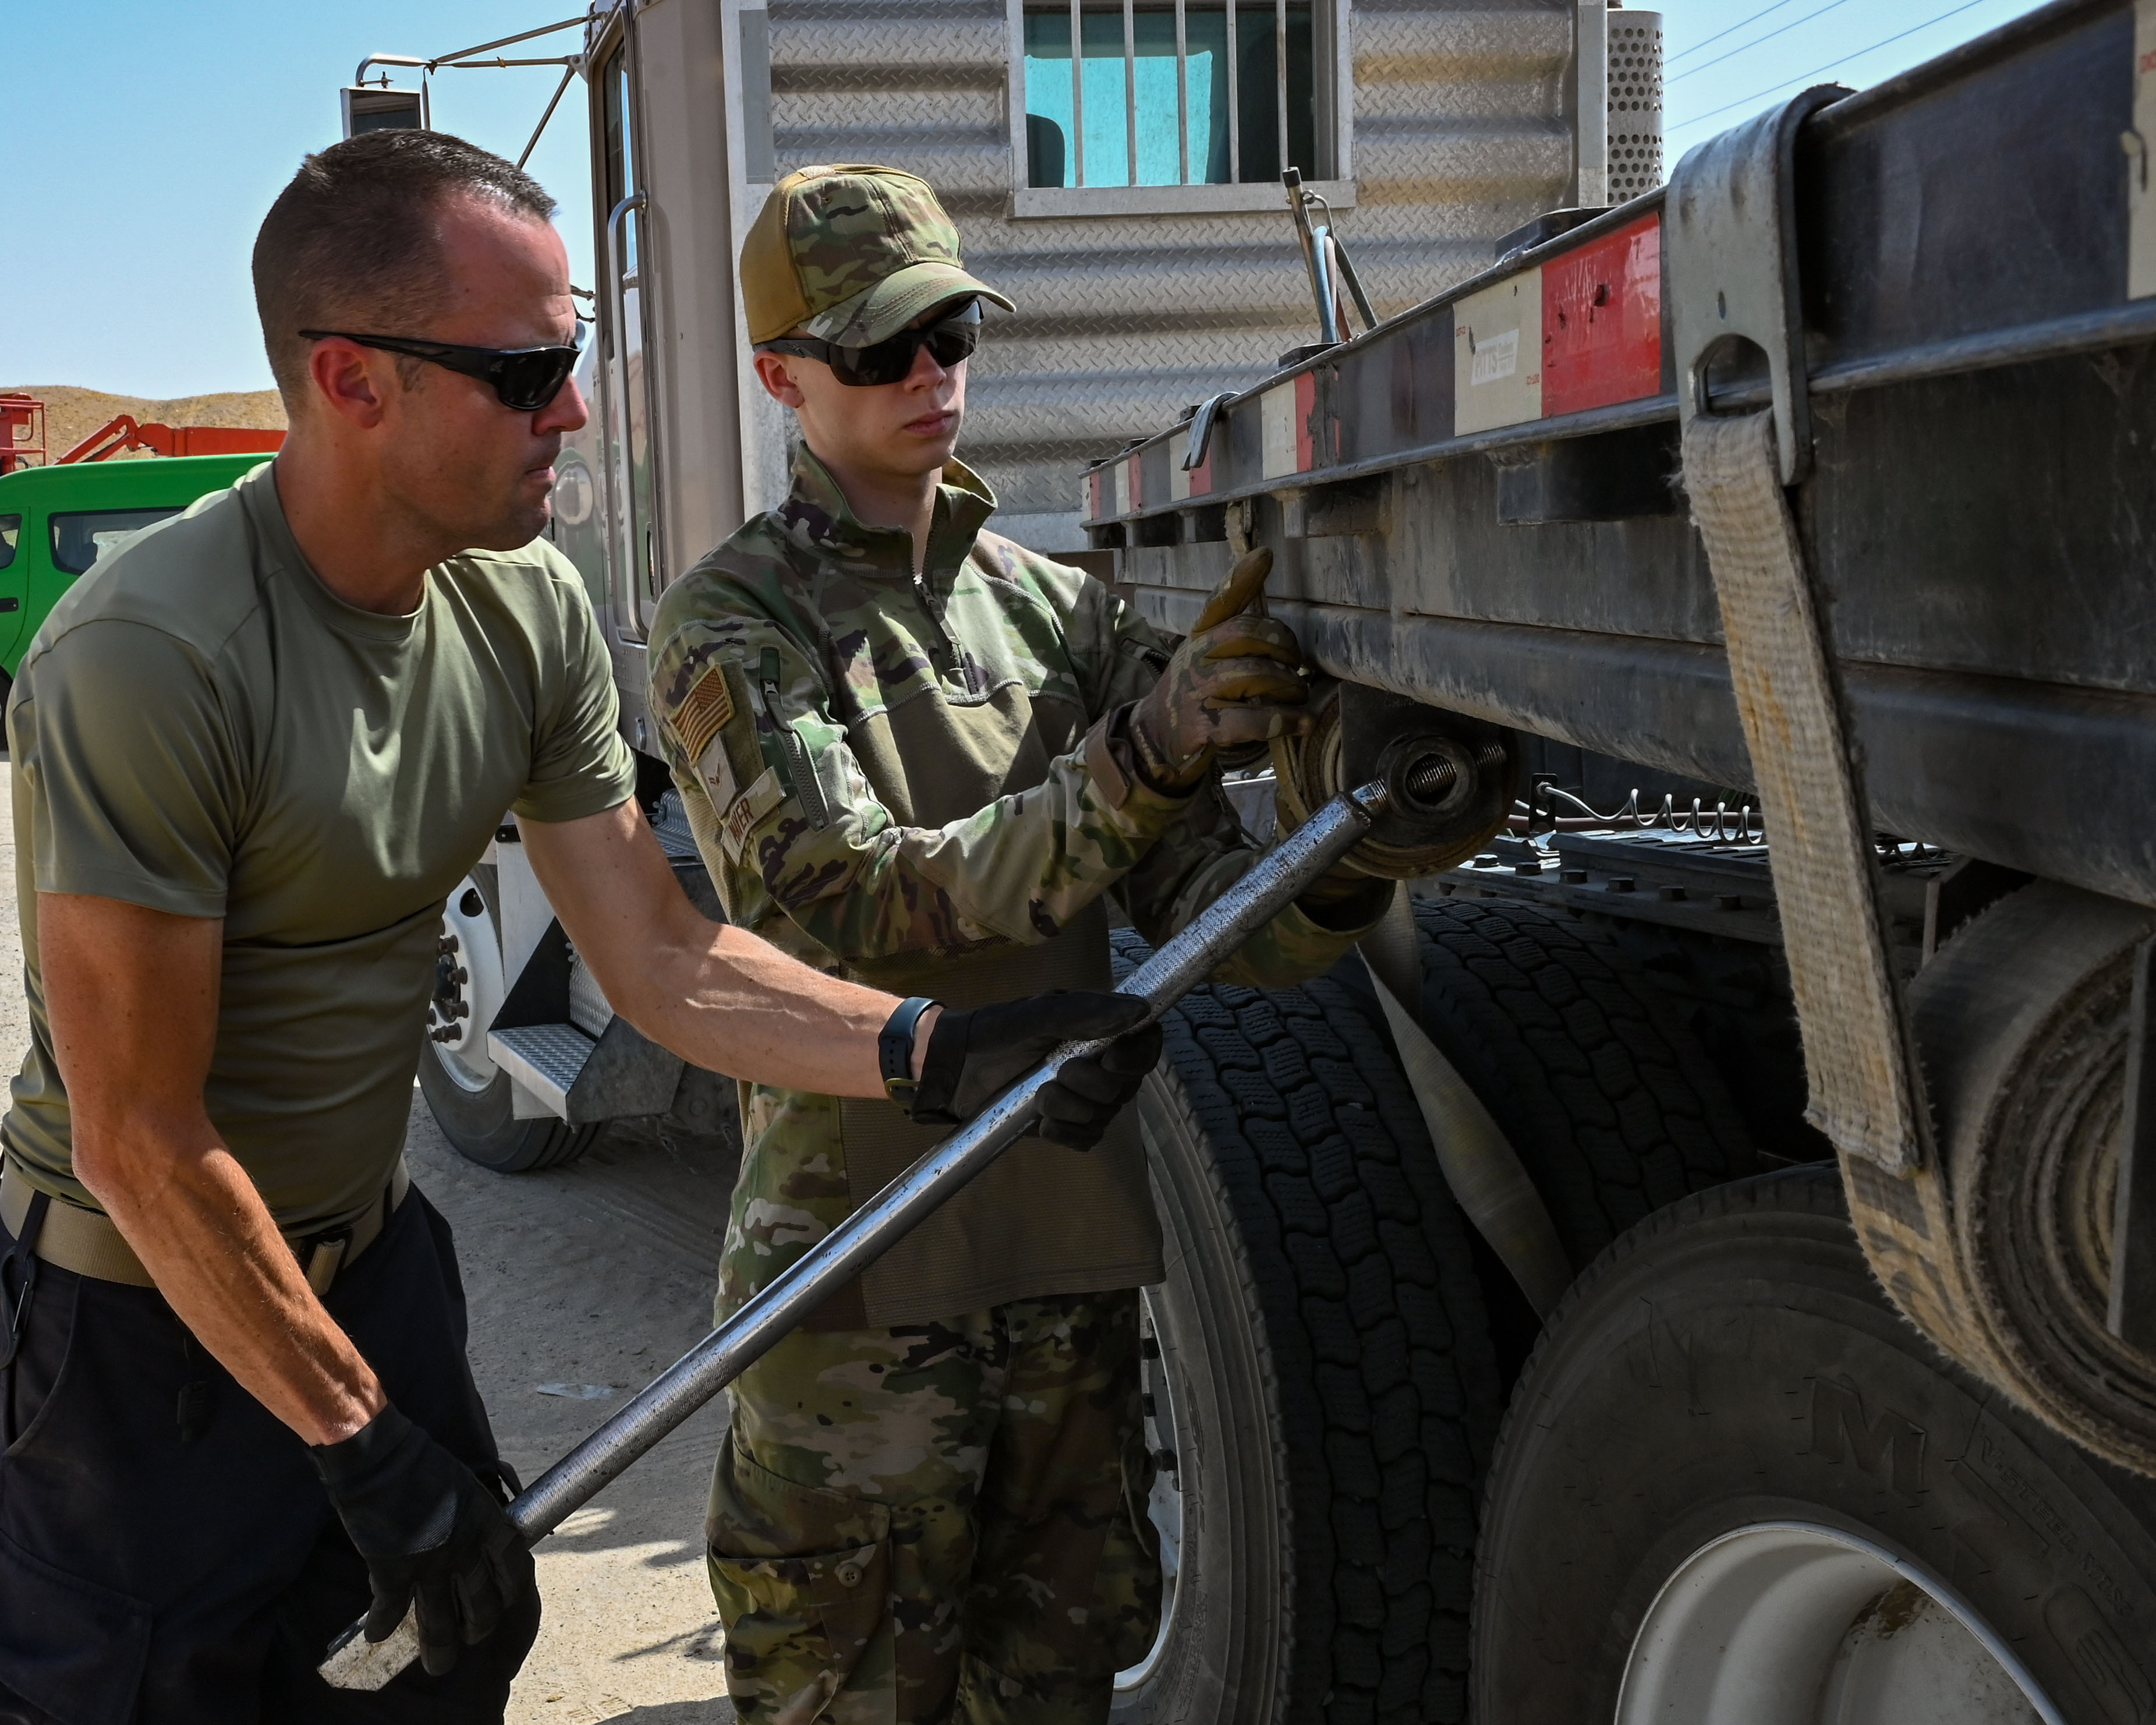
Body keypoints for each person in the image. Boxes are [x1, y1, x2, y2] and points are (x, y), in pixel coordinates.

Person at [0, 132, 1157, 1725]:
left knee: (446, 1666)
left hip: (377, 1273)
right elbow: (139, 1132)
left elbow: (664, 956)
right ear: (351, 381)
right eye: (528, 368)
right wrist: (355, 1432)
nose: (577, 410)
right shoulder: (150, 656)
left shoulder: (523, 608)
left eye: (576, 355)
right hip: (144, 1342)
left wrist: (929, 1046)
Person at [646, 164, 1393, 1723]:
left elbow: (1208, 917)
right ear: (783, 377)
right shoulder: (732, 628)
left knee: (1056, 1691)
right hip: (859, 1296)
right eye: (876, 348)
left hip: (1067, 1266)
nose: (928, 373)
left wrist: (1364, 841)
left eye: (946, 332)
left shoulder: (1054, 613)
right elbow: (862, 899)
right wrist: (1157, 743)